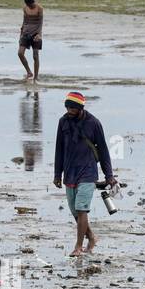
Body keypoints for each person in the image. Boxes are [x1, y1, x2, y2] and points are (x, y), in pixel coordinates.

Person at [53, 91, 116, 257]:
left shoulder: (93, 123)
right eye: (67, 107)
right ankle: (92, 238)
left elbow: (103, 150)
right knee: (75, 212)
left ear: (80, 108)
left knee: (81, 210)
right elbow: (59, 149)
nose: (69, 111)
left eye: (73, 108)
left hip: (88, 172)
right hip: (70, 172)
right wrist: (57, 174)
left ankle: (78, 247)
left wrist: (109, 175)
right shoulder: (63, 122)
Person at [18, 0, 43, 82]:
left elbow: (40, 22)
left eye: (31, 4)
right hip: (26, 33)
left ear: (34, 2)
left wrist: (39, 34)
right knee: (20, 53)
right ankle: (29, 72)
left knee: (35, 56)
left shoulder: (39, 8)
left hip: (36, 34)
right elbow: (25, 21)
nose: (30, 6)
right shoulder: (25, 8)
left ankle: (36, 77)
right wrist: (21, 33)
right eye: (29, 5)